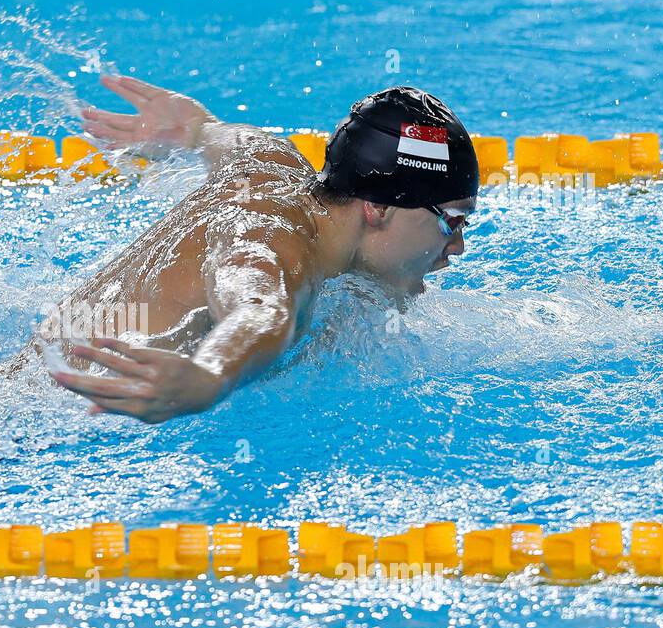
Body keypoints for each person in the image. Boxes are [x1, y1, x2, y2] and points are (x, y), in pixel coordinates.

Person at [42, 75, 479, 423]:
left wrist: (195, 126)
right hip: (25, 414)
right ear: (379, 207)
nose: (457, 247)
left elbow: (229, 137)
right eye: (451, 221)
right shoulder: (273, 243)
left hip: (45, 366)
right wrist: (209, 375)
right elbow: (258, 309)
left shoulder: (274, 164)